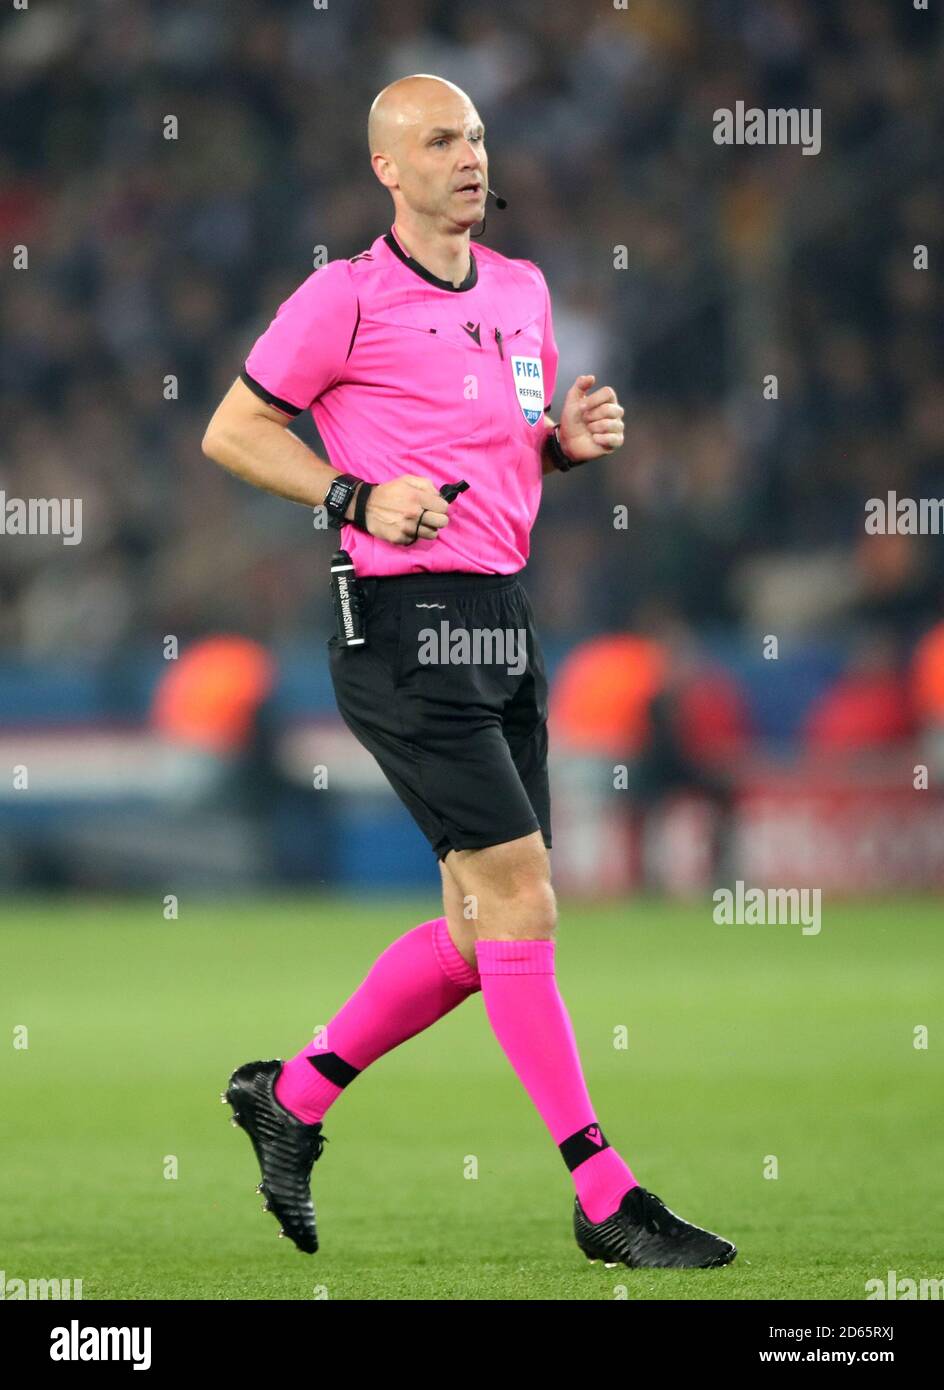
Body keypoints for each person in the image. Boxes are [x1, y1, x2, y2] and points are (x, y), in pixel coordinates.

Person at [202, 74, 735, 1272]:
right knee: (526, 898)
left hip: (501, 617)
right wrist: (348, 494)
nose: (469, 157)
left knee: (474, 922)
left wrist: (562, 447)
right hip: (399, 626)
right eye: (440, 141)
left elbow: (510, 453)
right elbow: (233, 429)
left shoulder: (522, 290)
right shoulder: (342, 298)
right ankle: (605, 1195)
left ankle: (290, 1093)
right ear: (386, 168)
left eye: (478, 137)